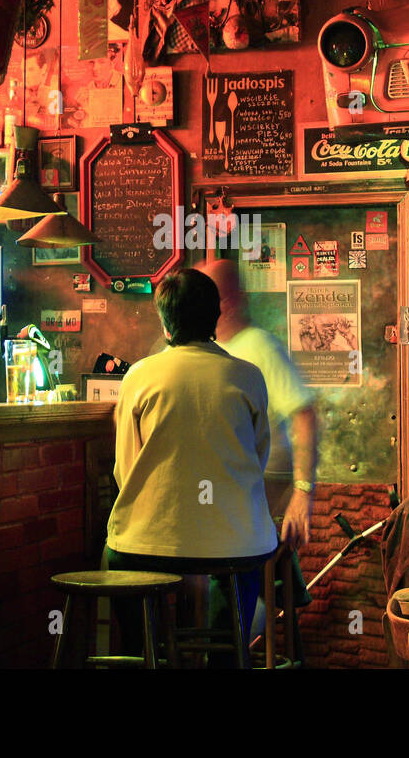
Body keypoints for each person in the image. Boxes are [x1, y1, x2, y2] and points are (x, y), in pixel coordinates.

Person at [107, 268, 277, 661]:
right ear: (217, 317)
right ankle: (227, 655)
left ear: (165, 323)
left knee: (118, 555)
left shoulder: (138, 376)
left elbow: (125, 471)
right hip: (238, 541)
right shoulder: (248, 376)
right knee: (239, 567)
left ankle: (144, 655)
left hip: (145, 542)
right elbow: (258, 459)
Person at [198, 258, 319, 552]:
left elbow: (304, 415)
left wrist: (303, 492)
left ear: (226, 302)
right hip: (230, 474)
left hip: (263, 472)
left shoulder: (260, 347)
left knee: (212, 545)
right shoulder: (203, 348)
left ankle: (246, 591)